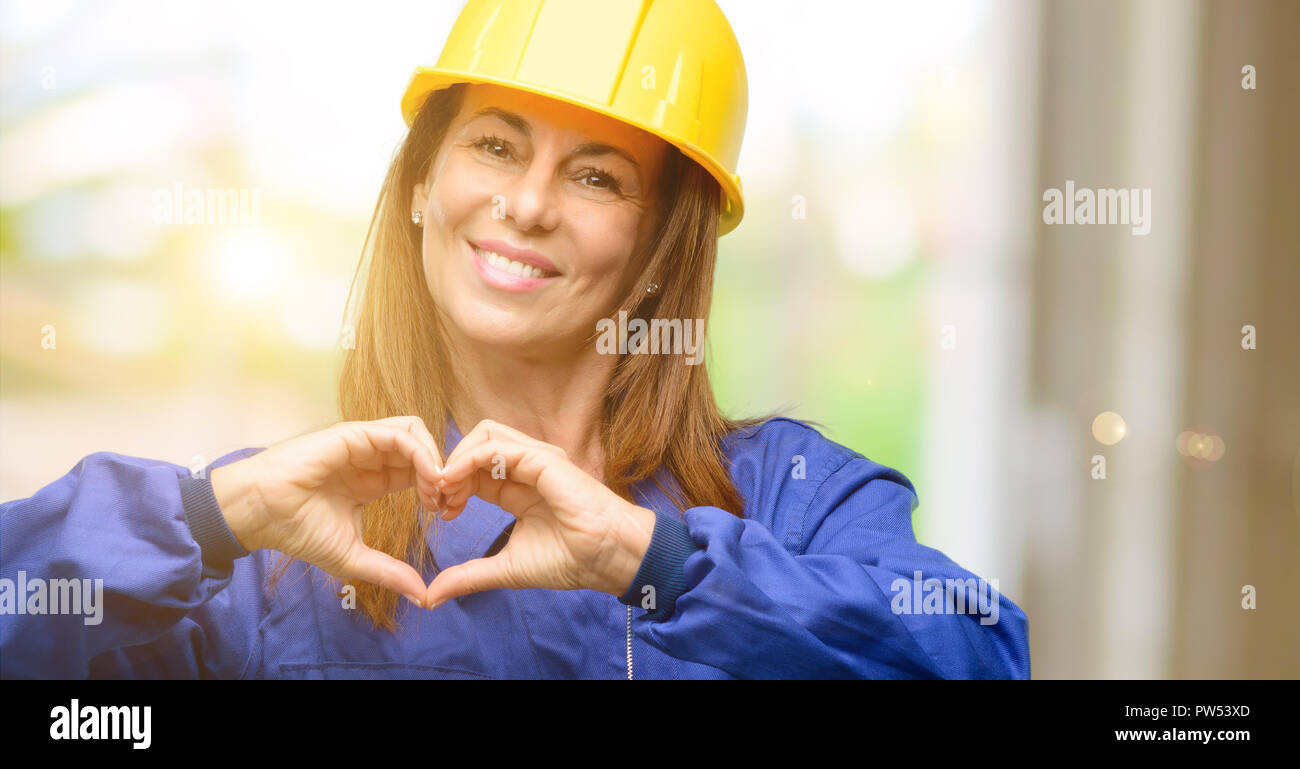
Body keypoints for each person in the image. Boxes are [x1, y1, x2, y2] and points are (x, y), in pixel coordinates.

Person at [0, 0, 1029, 679]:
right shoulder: (279, 546)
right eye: (494, 145)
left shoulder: (795, 498)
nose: (527, 204)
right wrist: (210, 515)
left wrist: (649, 558)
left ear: (660, 245)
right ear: (420, 188)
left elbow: (978, 657)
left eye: (595, 176)